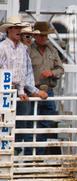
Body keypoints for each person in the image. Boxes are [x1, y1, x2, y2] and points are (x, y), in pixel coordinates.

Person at [0, 16, 48, 155]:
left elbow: (26, 73)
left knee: (20, 125)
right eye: (15, 28)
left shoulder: (22, 49)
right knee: (4, 124)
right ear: (9, 30)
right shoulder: (2, 47)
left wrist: (29, 90)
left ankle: (15, 155)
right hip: (4, 91)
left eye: (19, 28)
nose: (18, 31)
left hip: (19, 93)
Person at [29, 21, 65, 155]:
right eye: (42, 35)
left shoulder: (52, 50)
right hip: (32, 90)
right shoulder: (28, 49)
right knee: (30, 122)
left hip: (48, 91)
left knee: (47, 122)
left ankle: (39, 154)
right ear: (36, 36)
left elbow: (61, 69)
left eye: (46, 35)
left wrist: (52, 73)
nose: (44, 38)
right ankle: (30, 155)